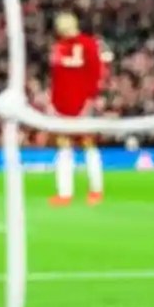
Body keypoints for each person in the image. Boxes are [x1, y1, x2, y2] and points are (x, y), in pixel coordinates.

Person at [48, 12, 112, 207]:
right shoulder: (83, 44)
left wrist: (88, 102)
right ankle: (75, 192)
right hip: (69, 104)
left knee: (82, 146)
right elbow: (94, 74)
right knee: (72, 147)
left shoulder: (66, 47)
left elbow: (91, 75)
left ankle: (86, 191)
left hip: (75, 104)